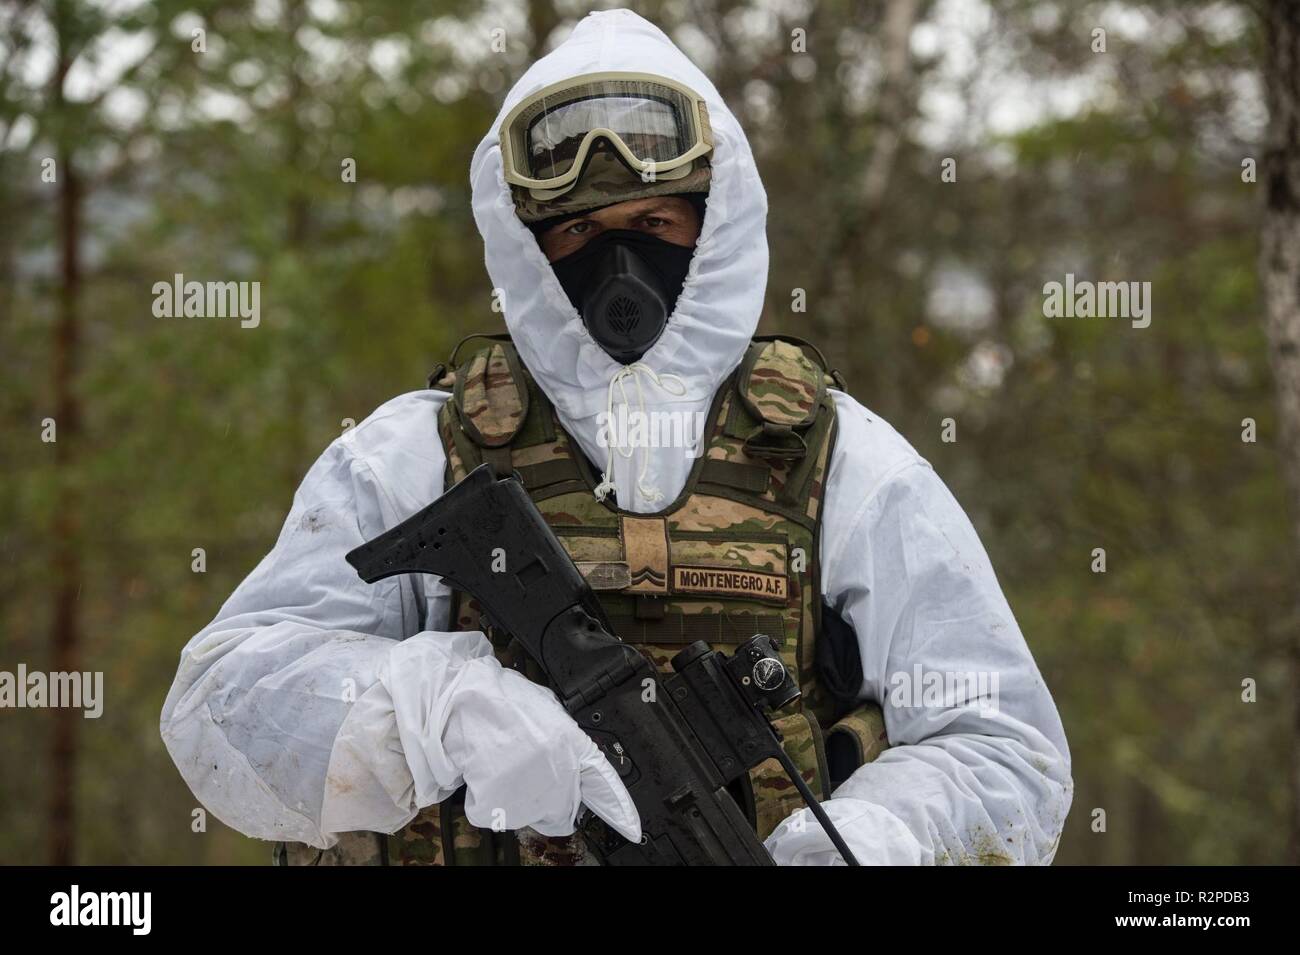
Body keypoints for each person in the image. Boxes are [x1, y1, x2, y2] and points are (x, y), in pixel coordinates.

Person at [161, 9, 1071, 866]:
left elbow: (1003, 746)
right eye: (580, 231)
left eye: (654, 223)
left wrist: (872, 836)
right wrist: (438, 709)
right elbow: (222, 702)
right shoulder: (412, 457)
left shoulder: (843, 461)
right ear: (529, 247)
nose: (621, 267)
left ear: (712, 227)